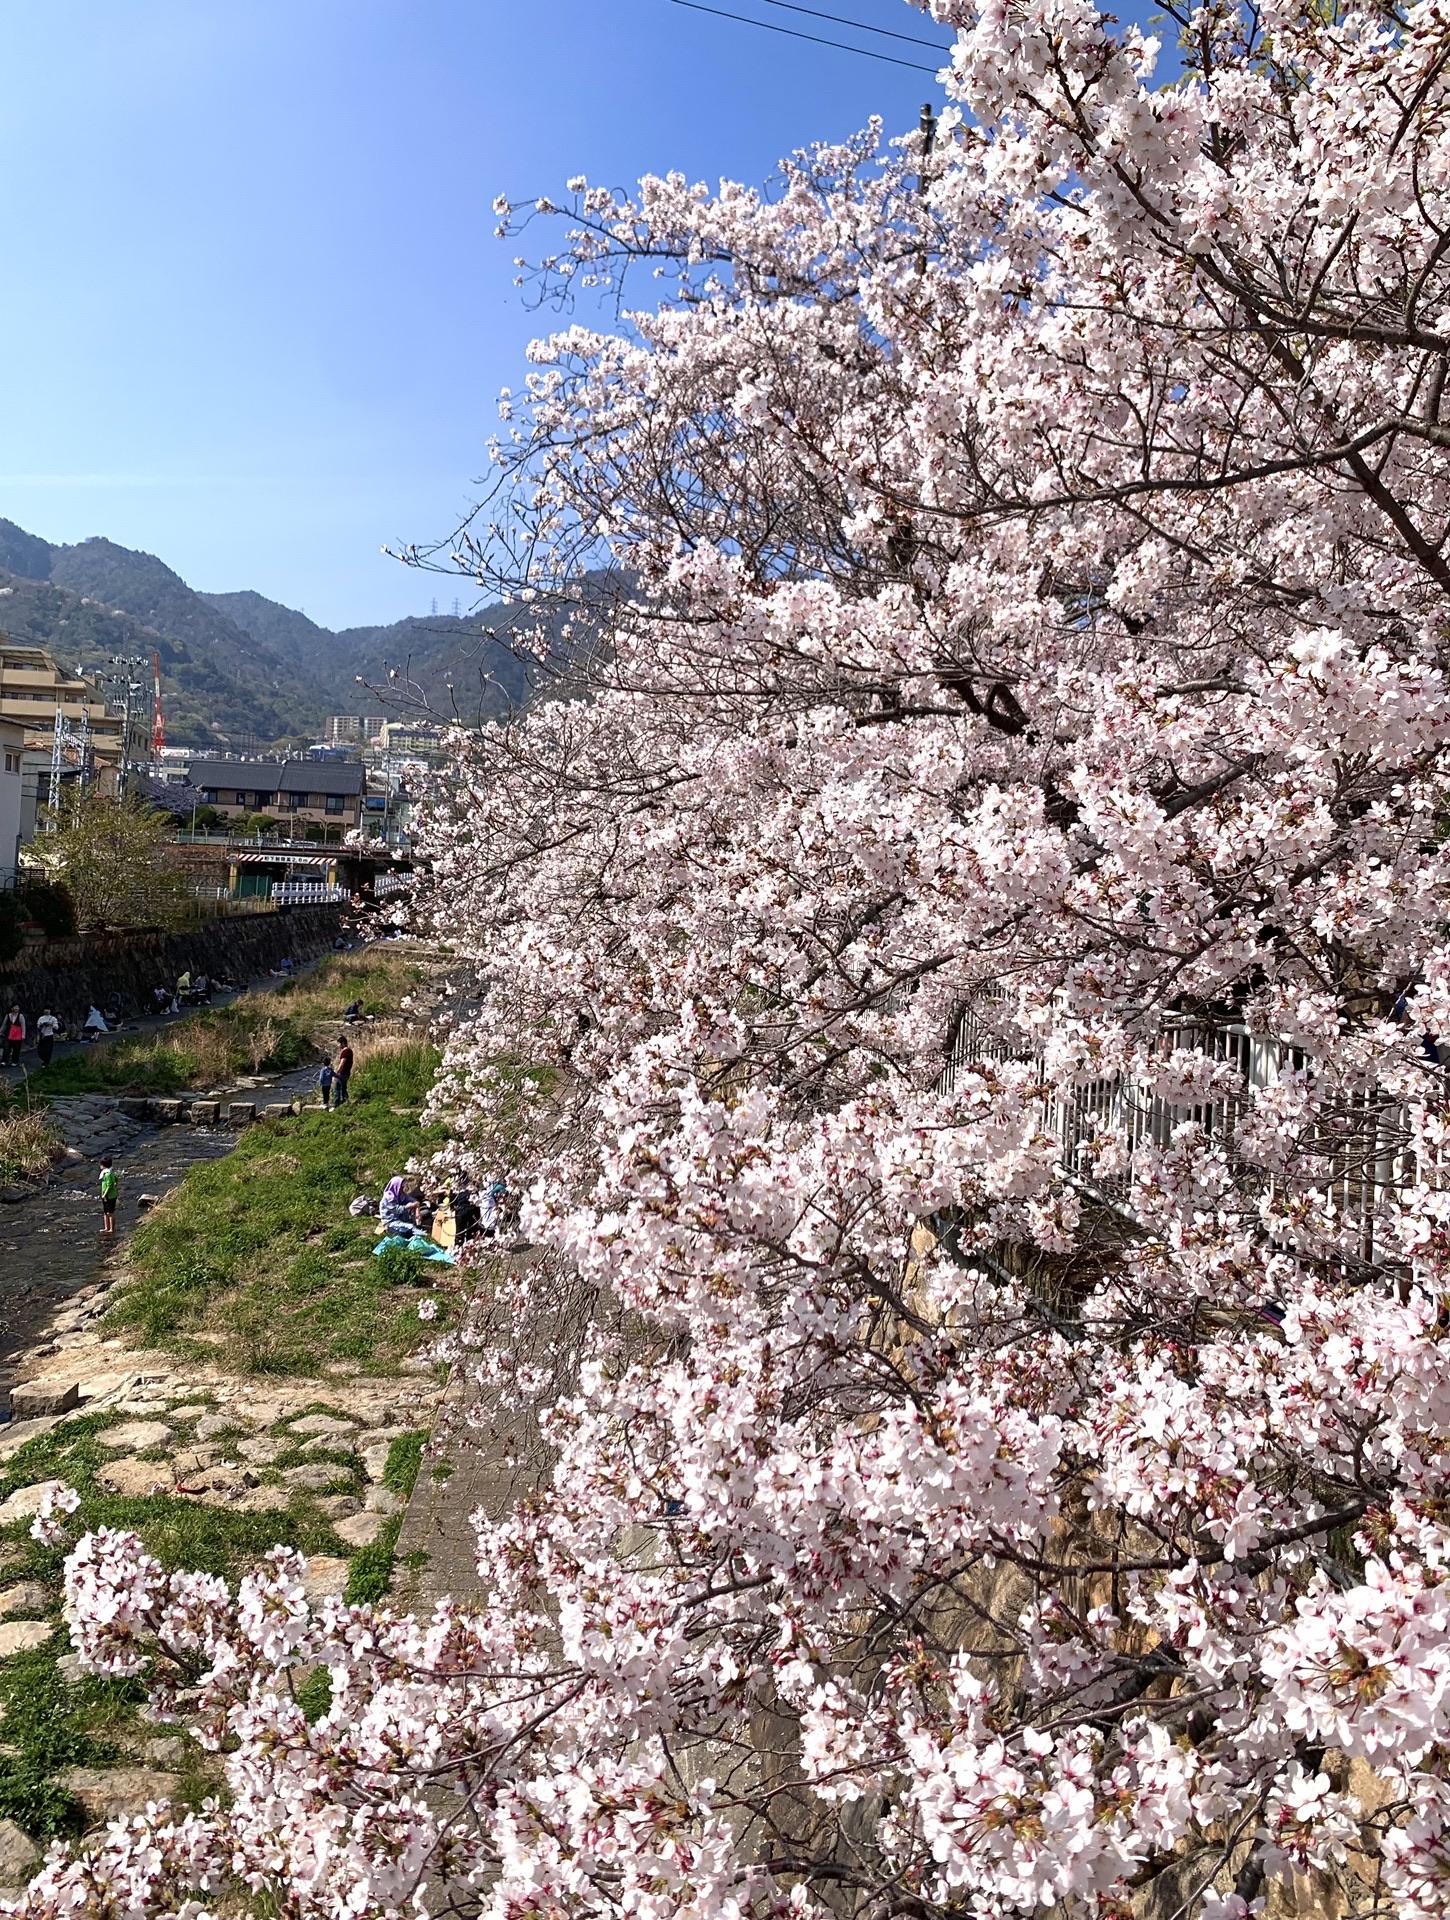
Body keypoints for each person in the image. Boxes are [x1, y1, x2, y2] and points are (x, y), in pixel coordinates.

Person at [99, 1156, 119, 1237]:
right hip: (106, 1196)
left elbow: (109, 1186)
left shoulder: (107, 1174)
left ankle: (111, 1228)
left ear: (103, 1165)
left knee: (110, 1212)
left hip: (110, 1196)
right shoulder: (109, 1172)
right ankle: (106, 1227)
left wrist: (104, 1194)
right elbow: (116, 1179)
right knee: (105, 1212)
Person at [333, 1035, 354, 1106]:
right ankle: (346, 1102)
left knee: (337, 1088)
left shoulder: (345, 1051)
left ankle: (337, 1104)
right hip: (347, 1072)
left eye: (339, 1044)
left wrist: (337, 1072)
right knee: (343, 1088)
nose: (338, 1046)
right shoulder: (350, 1050)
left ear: (343, 1043)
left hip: (342, 1073)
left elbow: (342, 1063)